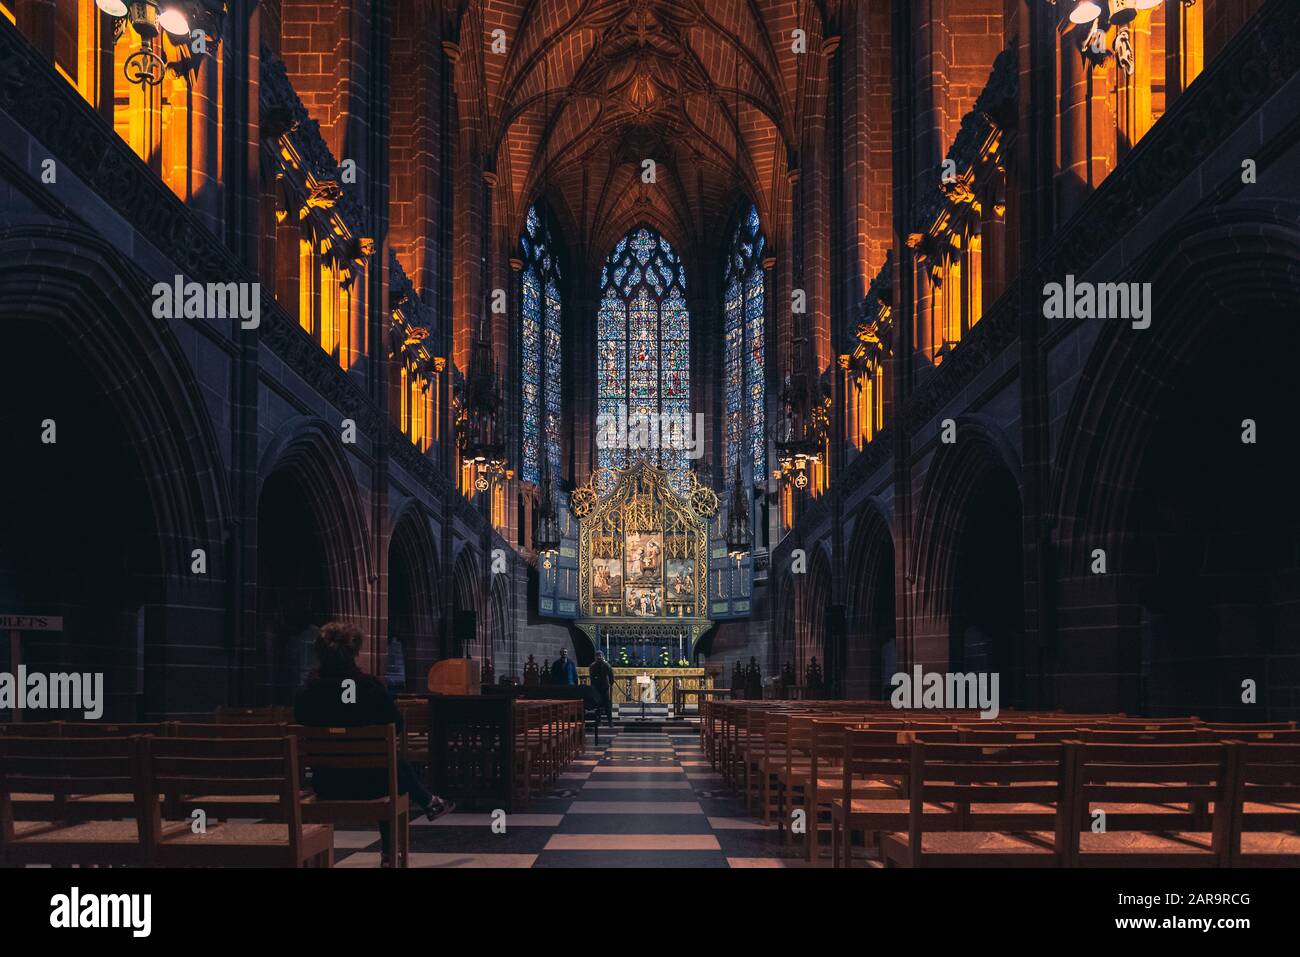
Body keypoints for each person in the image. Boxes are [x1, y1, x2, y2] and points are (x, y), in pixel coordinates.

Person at [294, 622, 454, 865]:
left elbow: (301, 721)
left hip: (327, 784)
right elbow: (396, 725)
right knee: (389, 769)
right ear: (354, 653)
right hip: (372, 786)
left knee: (388, 767)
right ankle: (391, 852)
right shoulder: (370, 688)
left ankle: (429, 800)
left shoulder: (309, 694)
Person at [589, 650, 615, 726]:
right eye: (597, 656)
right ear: (595, 657)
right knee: (598, 705)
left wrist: (611, 682)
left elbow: (611, 675)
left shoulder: (606, 665)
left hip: (605, 687)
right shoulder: (592, 666)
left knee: (607, 705)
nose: (599, 657)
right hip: (596, 688)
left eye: (600, 656)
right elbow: (591, 677)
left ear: (603, 657)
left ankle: (610, 721)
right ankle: (598, 721)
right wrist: (593, 686)